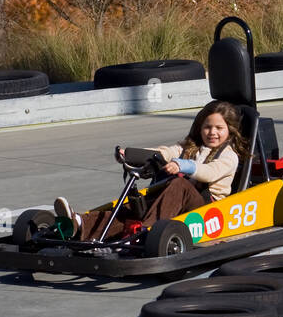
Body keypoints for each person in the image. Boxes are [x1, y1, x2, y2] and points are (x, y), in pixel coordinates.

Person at [54, 99, 248, 241]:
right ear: (200, 128)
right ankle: (80, 224)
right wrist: (131, 154)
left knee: (178, 183)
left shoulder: (229, 155)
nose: (212, 132)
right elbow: (166, 152)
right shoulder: (190, 147)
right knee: (135, 207)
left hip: (208, 207)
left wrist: (183, 165)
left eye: (218, 128)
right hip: (178, 200)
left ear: (230, 130)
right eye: (207, 127)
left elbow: (210, 172)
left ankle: (147, 231)